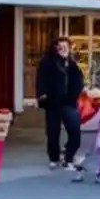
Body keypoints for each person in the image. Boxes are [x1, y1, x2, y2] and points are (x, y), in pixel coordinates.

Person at [36, 36, 83, 171]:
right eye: (60, 47)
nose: (63, 50)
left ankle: (68, 156)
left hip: (69, 103)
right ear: (55, 49)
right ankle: (54, 158)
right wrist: (42, 96)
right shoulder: (47, 63)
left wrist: (75, 95)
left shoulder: (72, 64)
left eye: (66, 47)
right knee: (52, 132)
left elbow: (78, 81)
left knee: (75, 131)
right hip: (53, 103)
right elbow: (41, 80)